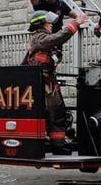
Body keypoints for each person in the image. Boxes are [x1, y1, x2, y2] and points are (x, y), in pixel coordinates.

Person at [24, 10, 90, 153]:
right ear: (41, 24)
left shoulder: (42, 40)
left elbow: (50, 58)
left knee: (58, 112)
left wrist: (56, 57)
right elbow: (56, 38)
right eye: (49, 23)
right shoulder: (39, 38)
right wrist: (75, 24)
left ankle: (58, 143)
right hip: (42, 84)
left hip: (49, 83)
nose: (51, 25)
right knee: (53, 113)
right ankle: (57, 145)